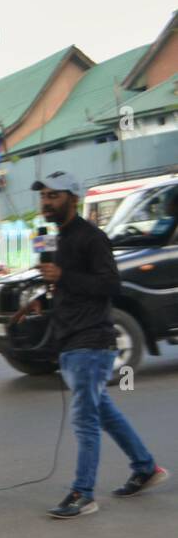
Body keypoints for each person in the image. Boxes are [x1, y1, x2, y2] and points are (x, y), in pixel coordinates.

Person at [16, 171, 167, 517]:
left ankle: (83, 493)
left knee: (85, 419)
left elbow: (111, 285)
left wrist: (64, 277)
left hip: (92, 341)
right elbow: (70, 287)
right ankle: (145, 468)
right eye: (43, 197)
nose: (46, 203)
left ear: (74, 198)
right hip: (69, 339)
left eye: (54, 196)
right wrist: (45, 297)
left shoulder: (91, 237)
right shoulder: (57, 240)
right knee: (103, 414)